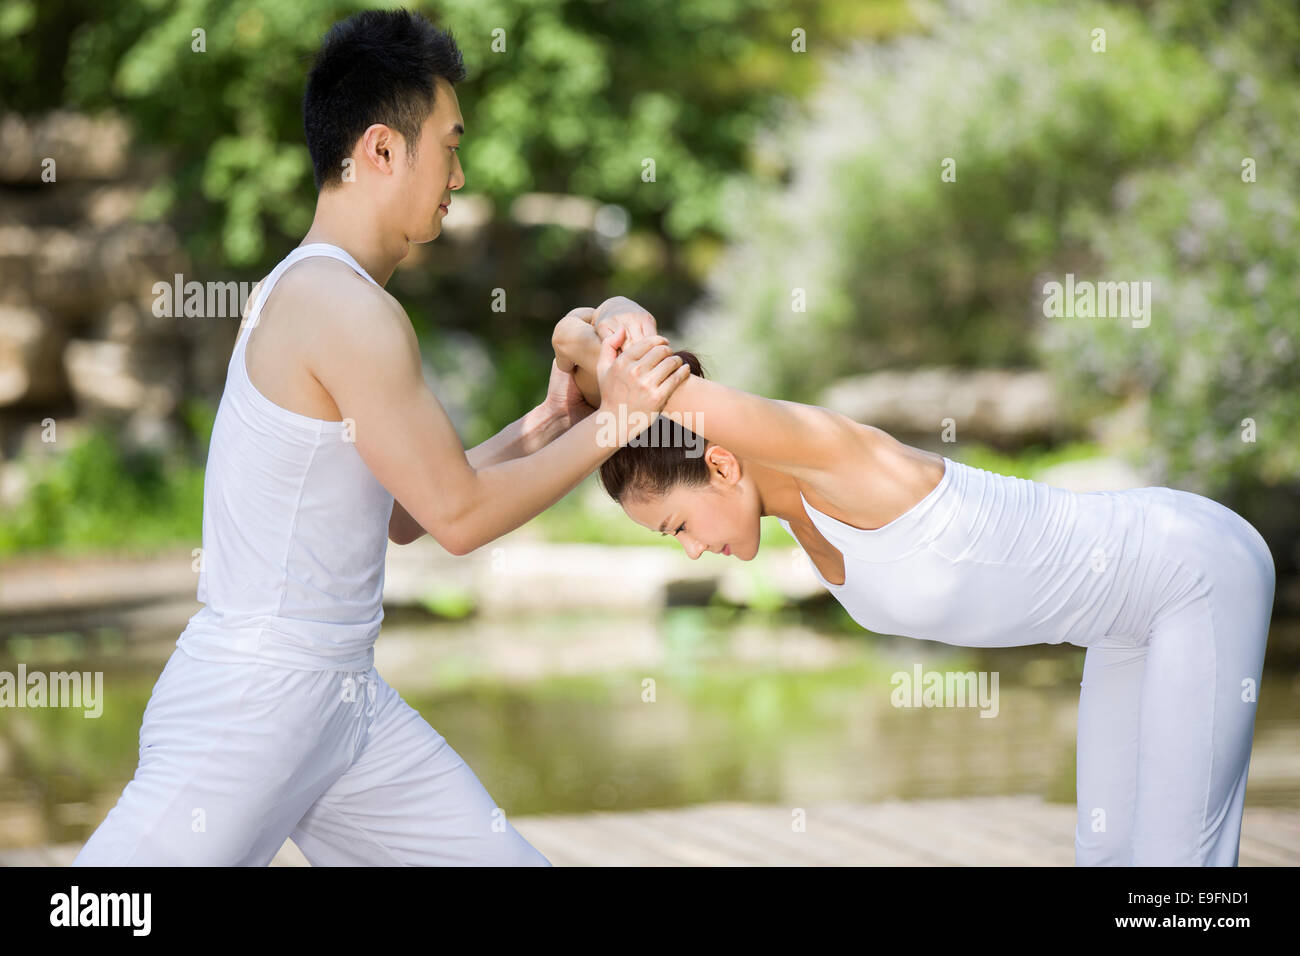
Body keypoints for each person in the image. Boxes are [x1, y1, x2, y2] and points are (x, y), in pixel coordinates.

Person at [74, 9, 690, 867]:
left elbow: (404, 511)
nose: (461, 175)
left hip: (342, 706)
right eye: (450, 146)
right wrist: (619, 422)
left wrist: (553, 421)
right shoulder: (344, 308)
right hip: (254, 700)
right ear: (381, 149)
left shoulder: (333, 294)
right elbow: (459, 519)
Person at [551, 302, 1277, 866]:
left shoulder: (828, 455)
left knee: (1183, 884)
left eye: (677, 527)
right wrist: (605, 348)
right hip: (1124, 619)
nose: (691, 553)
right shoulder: (794, 508)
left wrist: (598, 342)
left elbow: (584, 337)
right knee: (1113, 861)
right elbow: (592, 337)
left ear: (721, 467)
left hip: (1189, 572)